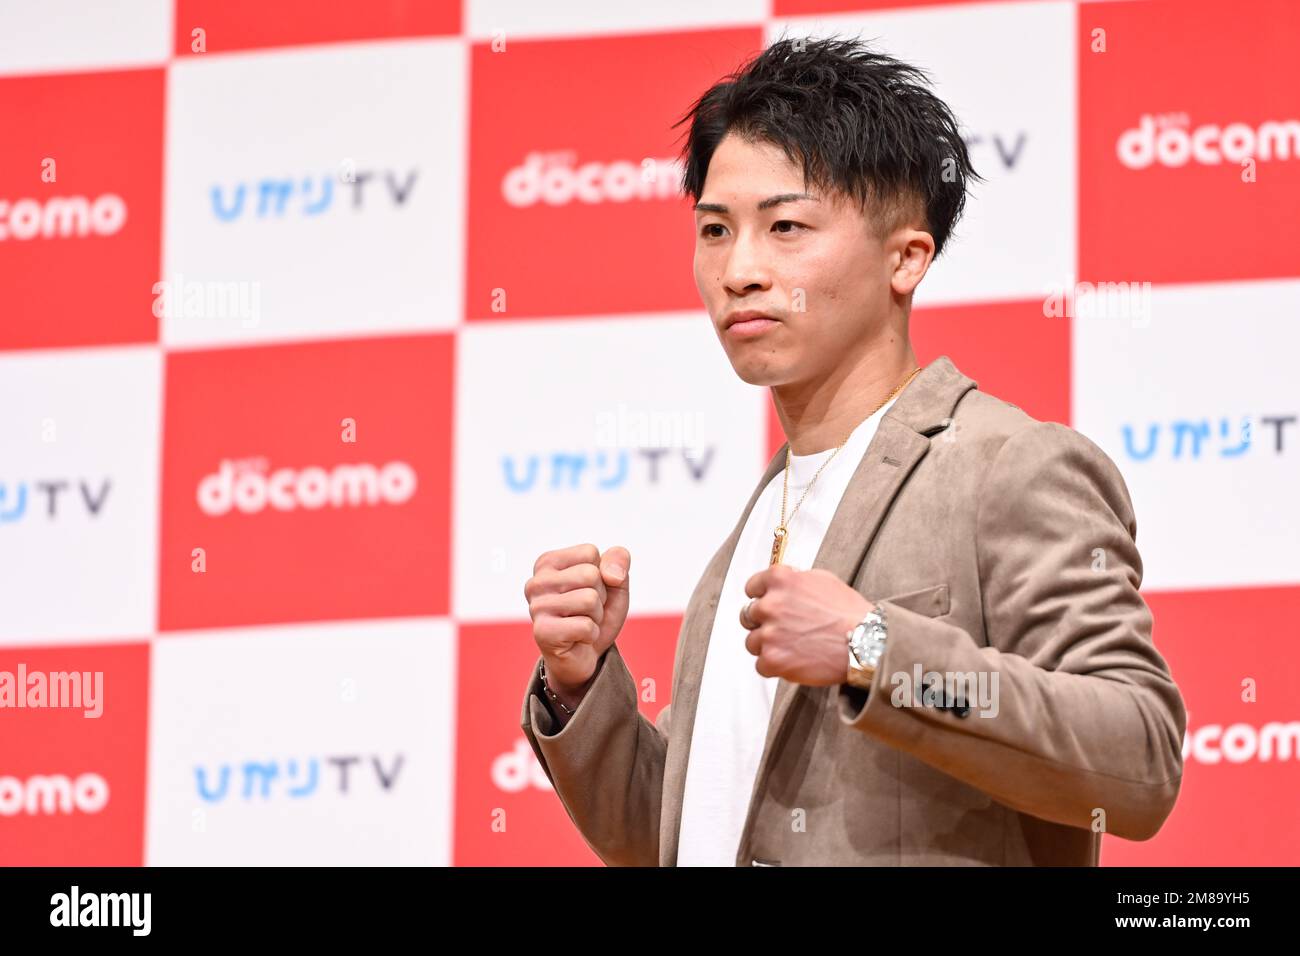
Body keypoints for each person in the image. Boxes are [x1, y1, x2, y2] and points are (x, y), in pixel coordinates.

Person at [519, 35, 1185, 866]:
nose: (740, 270)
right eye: (716, 230)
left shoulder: (1008, 464)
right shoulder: (764, 510)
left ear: (906, 258)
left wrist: (873, 649)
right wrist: (582, 684)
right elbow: (693, 835)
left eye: (786, 226)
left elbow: (1139, 762)